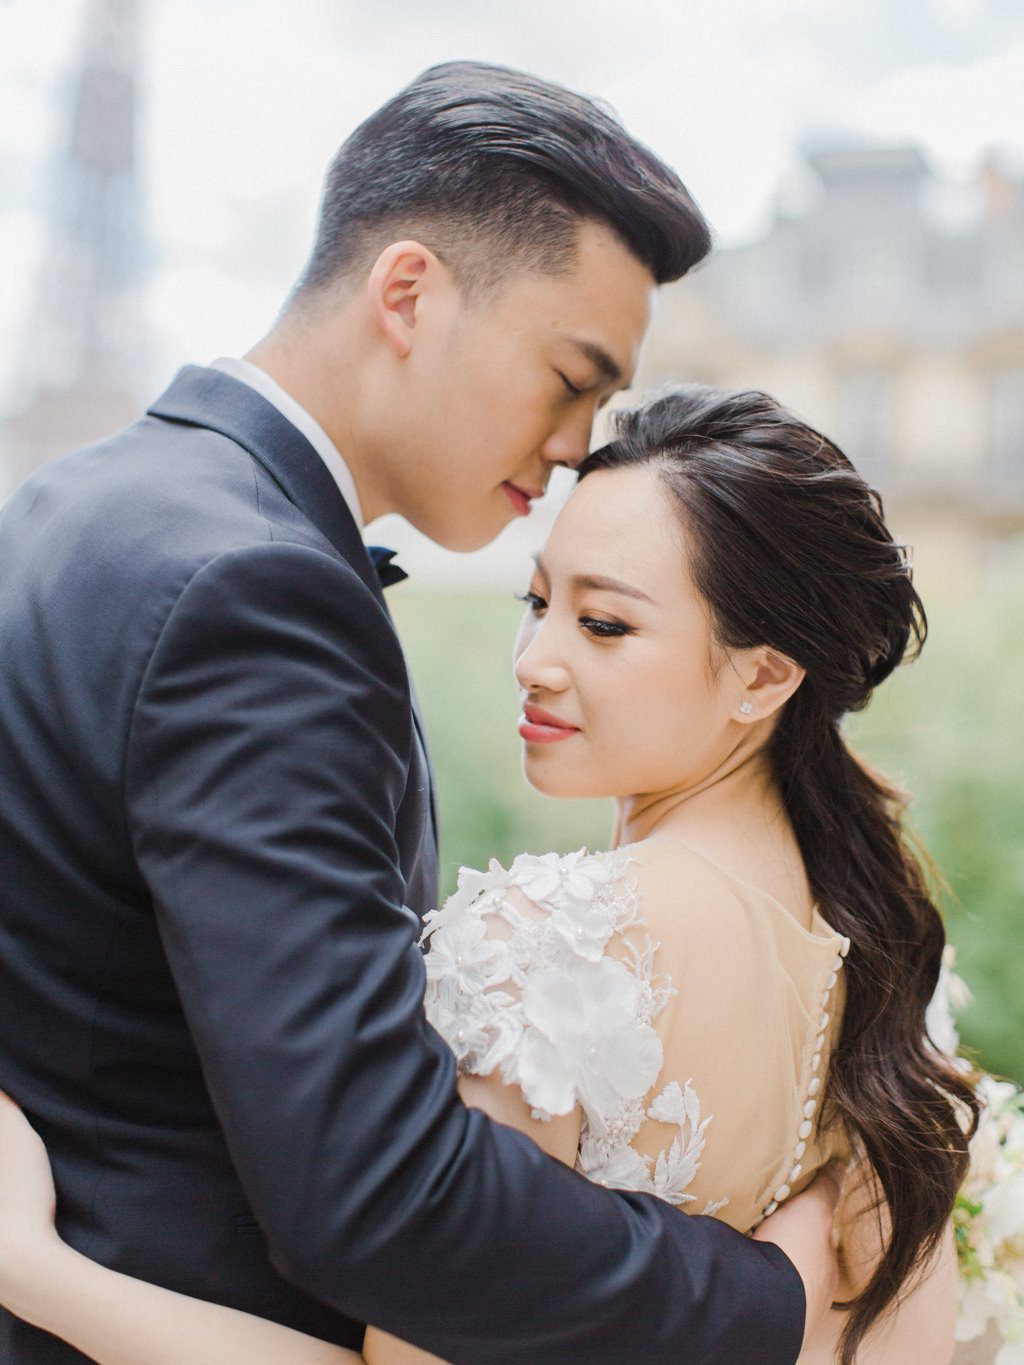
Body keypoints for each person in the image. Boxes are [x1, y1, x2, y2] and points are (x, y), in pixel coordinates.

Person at [0, 62, 837, 1365]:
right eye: (570, 377)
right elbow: (373, 1190)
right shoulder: (255, 590)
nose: (573, 448)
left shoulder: (70, 504)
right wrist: (773, 1307)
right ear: (408, 294)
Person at [0, 384, 978, 1364]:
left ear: (763, 675)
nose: (534, 660)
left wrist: (40, 1273)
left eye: (603, 625)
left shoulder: (554, 940)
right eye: (537, 600)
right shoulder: (877, 938)